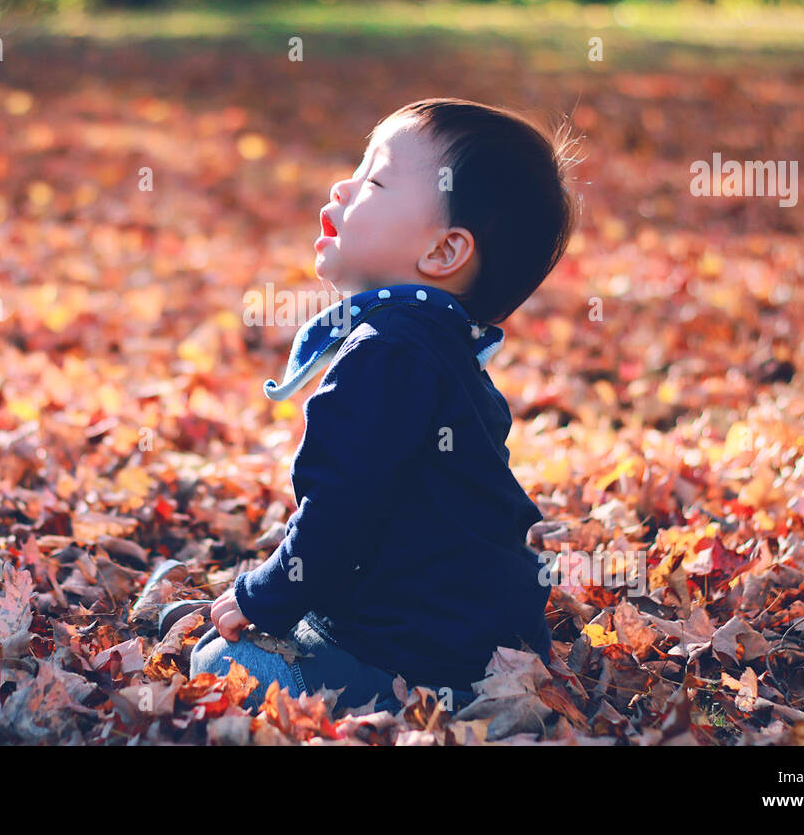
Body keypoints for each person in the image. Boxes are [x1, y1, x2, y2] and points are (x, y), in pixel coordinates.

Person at [189, 98, 582, 714]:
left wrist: (262, 597)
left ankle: (442, 707)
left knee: (220, 663)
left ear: (445, 253)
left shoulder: (386, 352)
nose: (343, 186)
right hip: (468, 631)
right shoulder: (442, 350)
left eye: (374, 179)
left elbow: (340, 509)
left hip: (415, 655)